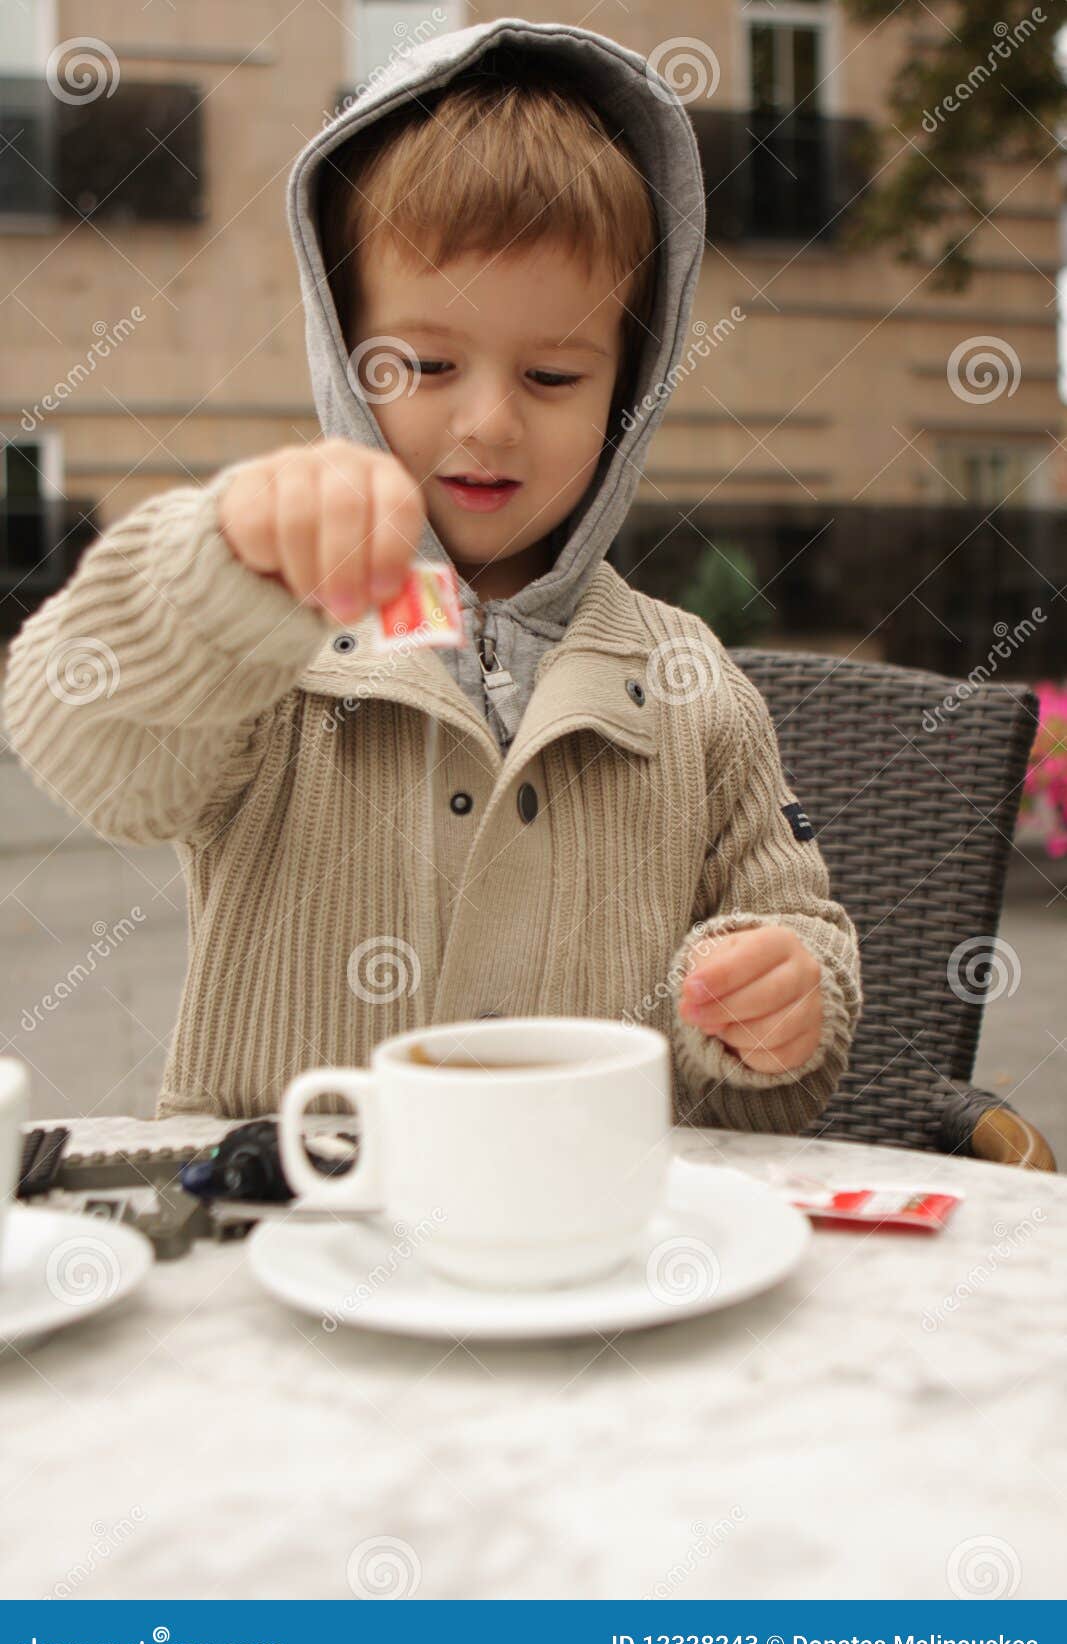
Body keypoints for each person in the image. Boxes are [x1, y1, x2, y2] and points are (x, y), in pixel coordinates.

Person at [2, 19, 862, 1132]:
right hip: (286, 1234)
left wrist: (776, 997)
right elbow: (86, 747)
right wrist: (212, 574)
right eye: (427, 365)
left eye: (553, 373)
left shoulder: (689, 680)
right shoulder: (278, 639)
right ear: (344, 357)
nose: (488, 421)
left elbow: (790, 931)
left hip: (588, 1237)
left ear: (630, 388)